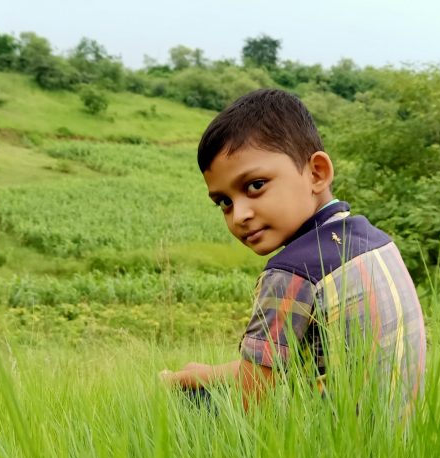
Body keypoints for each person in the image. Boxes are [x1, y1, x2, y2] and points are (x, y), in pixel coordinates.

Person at [160, 88, 426, 415]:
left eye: (255, 185)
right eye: (224, 202)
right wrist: (208, 373)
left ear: (316, 172)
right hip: (402, 433)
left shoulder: (292, 272)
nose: (239, 214)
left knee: (189, 403)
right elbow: (285, 367)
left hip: (343, 451)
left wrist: (197, 384)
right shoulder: (376, 242)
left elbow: (252, 399)